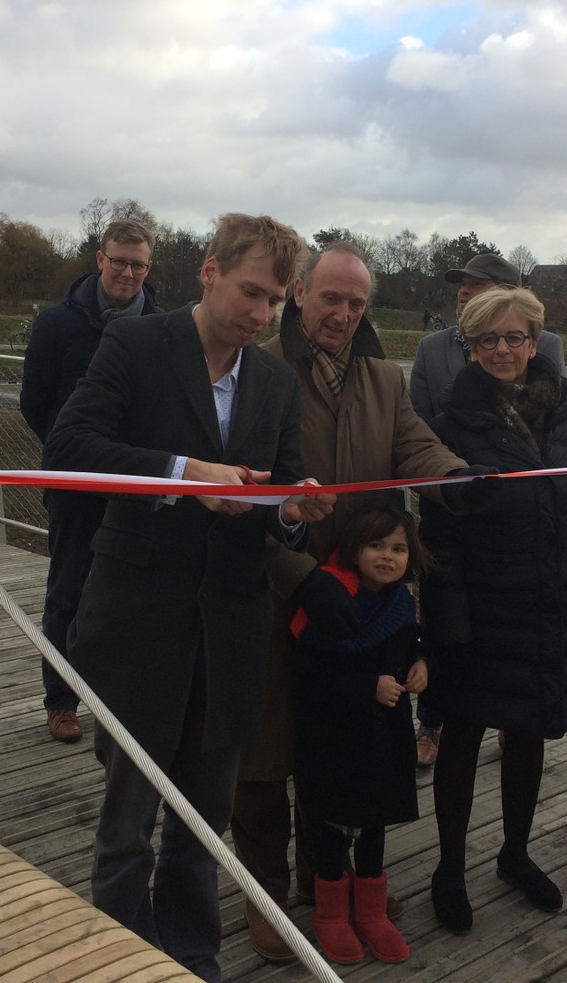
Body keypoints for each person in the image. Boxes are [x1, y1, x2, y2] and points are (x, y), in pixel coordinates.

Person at [45, 213, 335, 983]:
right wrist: (182, 473)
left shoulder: (275, 381)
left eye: (275, 301)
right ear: (210, 272)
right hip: (138, 624)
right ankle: (123, 964)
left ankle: (194, 964)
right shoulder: (136, 344)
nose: (261, 315)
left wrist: (294, 510)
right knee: (127, 834)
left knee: (202, 834)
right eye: (251, 293)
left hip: (231, 635)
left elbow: (278, 492)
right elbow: (67, 448)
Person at [232, 242, 485, 963]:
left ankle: (324, 878)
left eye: (355, 303)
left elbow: (414, 446)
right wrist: (296, 571)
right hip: (273, 592)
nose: (342, 314)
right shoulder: (259, 369)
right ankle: (265, 896)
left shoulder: (382, 376)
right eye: (330, 298)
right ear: (299, 293)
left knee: (337, 744)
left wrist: (457, 477)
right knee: (264, 753)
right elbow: (242, 492)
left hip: (357, 600)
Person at [418, 287, 567, 934]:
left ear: (535, 342)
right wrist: (449, 625)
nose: (503, 350)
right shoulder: (452, 426)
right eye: (487, 339)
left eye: (515, 337)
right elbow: (440, 539)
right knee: (462, 736)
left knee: (531, 730)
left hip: (552, 602)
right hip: (482, 609)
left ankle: (514, 853)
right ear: (471, 347)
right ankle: (450, 868)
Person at [408, 252, 566, 768]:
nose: (463, 291)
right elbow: (418, 427)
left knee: (514, 693)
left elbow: (548, 425)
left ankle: (507, 721)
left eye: (476, 284)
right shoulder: (432, 348)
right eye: (462, 284)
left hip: (522, 535)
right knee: (451, 643)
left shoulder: (546, 345)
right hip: (456, 504)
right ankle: (430, 724)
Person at [19, 219, 162, 743]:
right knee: (68, 593)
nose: (127, 272)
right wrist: (73, 451)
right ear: (100, 259)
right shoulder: (57, 324)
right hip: (75, 487)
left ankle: (120, 701)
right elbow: (35, 402)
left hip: (138, 488)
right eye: (119, 261)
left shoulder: (163, 329)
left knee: (137, 596)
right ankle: (61, 701)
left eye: (138, 265)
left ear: (148, 268)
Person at [290, 507, 432, 965]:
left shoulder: (401, 603)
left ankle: (371, 913)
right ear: (353, 550)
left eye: (399, 549)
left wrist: (421, 664)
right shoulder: (330, 602)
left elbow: (412, 642)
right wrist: (367, 686)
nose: (388, 557)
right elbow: (310, 677)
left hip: (386, 738)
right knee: (335, 827)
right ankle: (331, 915)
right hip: (336, 738)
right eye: (376, 546)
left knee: (375, 824)